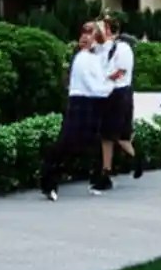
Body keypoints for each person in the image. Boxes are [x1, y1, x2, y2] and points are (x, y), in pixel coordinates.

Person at [41, 22, 113, 200]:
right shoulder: (82, 58)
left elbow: (107, 51)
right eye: (84, 33)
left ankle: (97, 181)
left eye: (91, 33)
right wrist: (111, 86)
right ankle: (48, 182)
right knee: (67, 143)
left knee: (93, 142)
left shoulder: (97, 57)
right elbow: (95, 85)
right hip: (79, 103)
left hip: (93, 103)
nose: (85, 37)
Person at [98, 16, 143, 183]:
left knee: (117, 134)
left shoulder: (123, 48)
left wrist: (102, 78)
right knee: (106, 134)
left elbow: (120, 72)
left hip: (118, 93)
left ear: (109, 29)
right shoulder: (104, 47)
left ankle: (137, 158)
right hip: (108, 93)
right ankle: (106, 170)